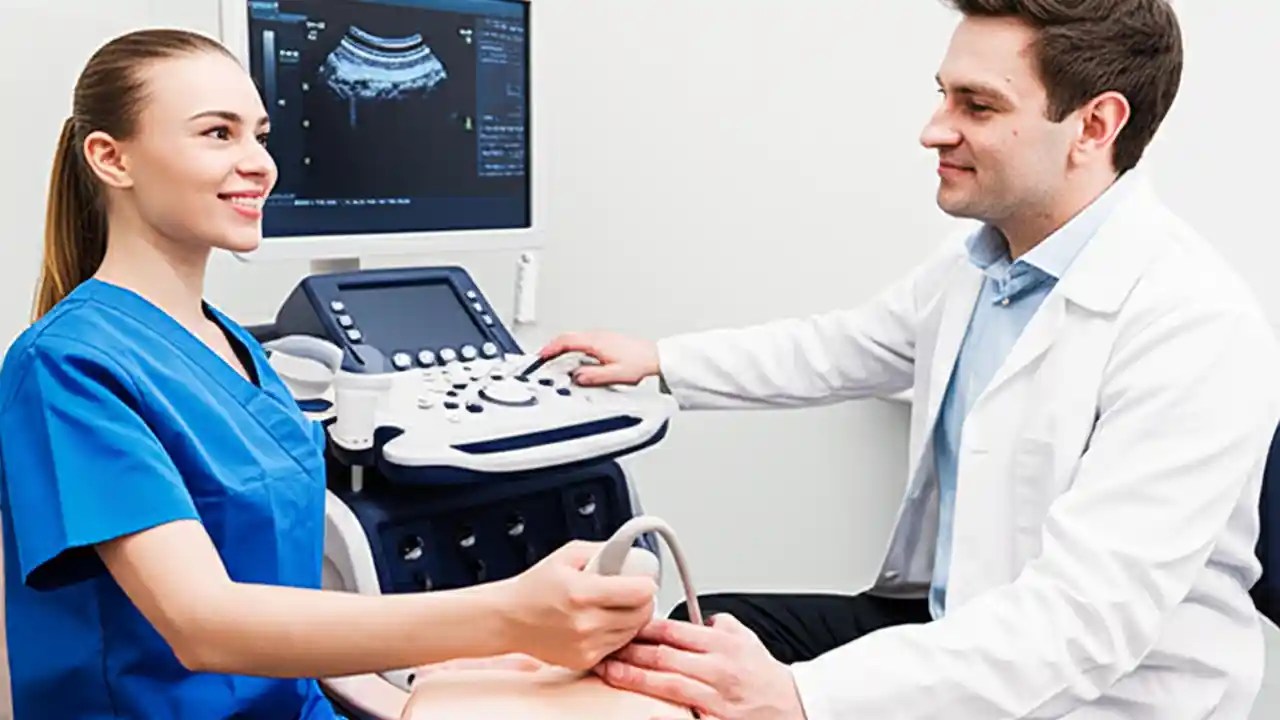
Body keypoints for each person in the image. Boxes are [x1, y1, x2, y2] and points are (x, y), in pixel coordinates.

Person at [540, 1, 1280, 718]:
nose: (934, 130)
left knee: (723, 685)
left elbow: (1080, 626)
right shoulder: (981, 264)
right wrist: (659, 360)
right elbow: (839, 348)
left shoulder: (1192, 328)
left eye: (977, 106)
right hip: (959, 628)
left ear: (1094, 125)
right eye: (943, 96)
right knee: (688, 643)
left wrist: (803, 698)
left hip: (1101, 692)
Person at [0, 29, 660, 719]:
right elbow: (203, 625)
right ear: (112, 158)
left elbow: (294, 632)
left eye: (261, 136)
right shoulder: (69, 367)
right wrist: (510, 616)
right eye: (218, 134)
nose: (260, 164)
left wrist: (436, 684)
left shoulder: (234, 347)